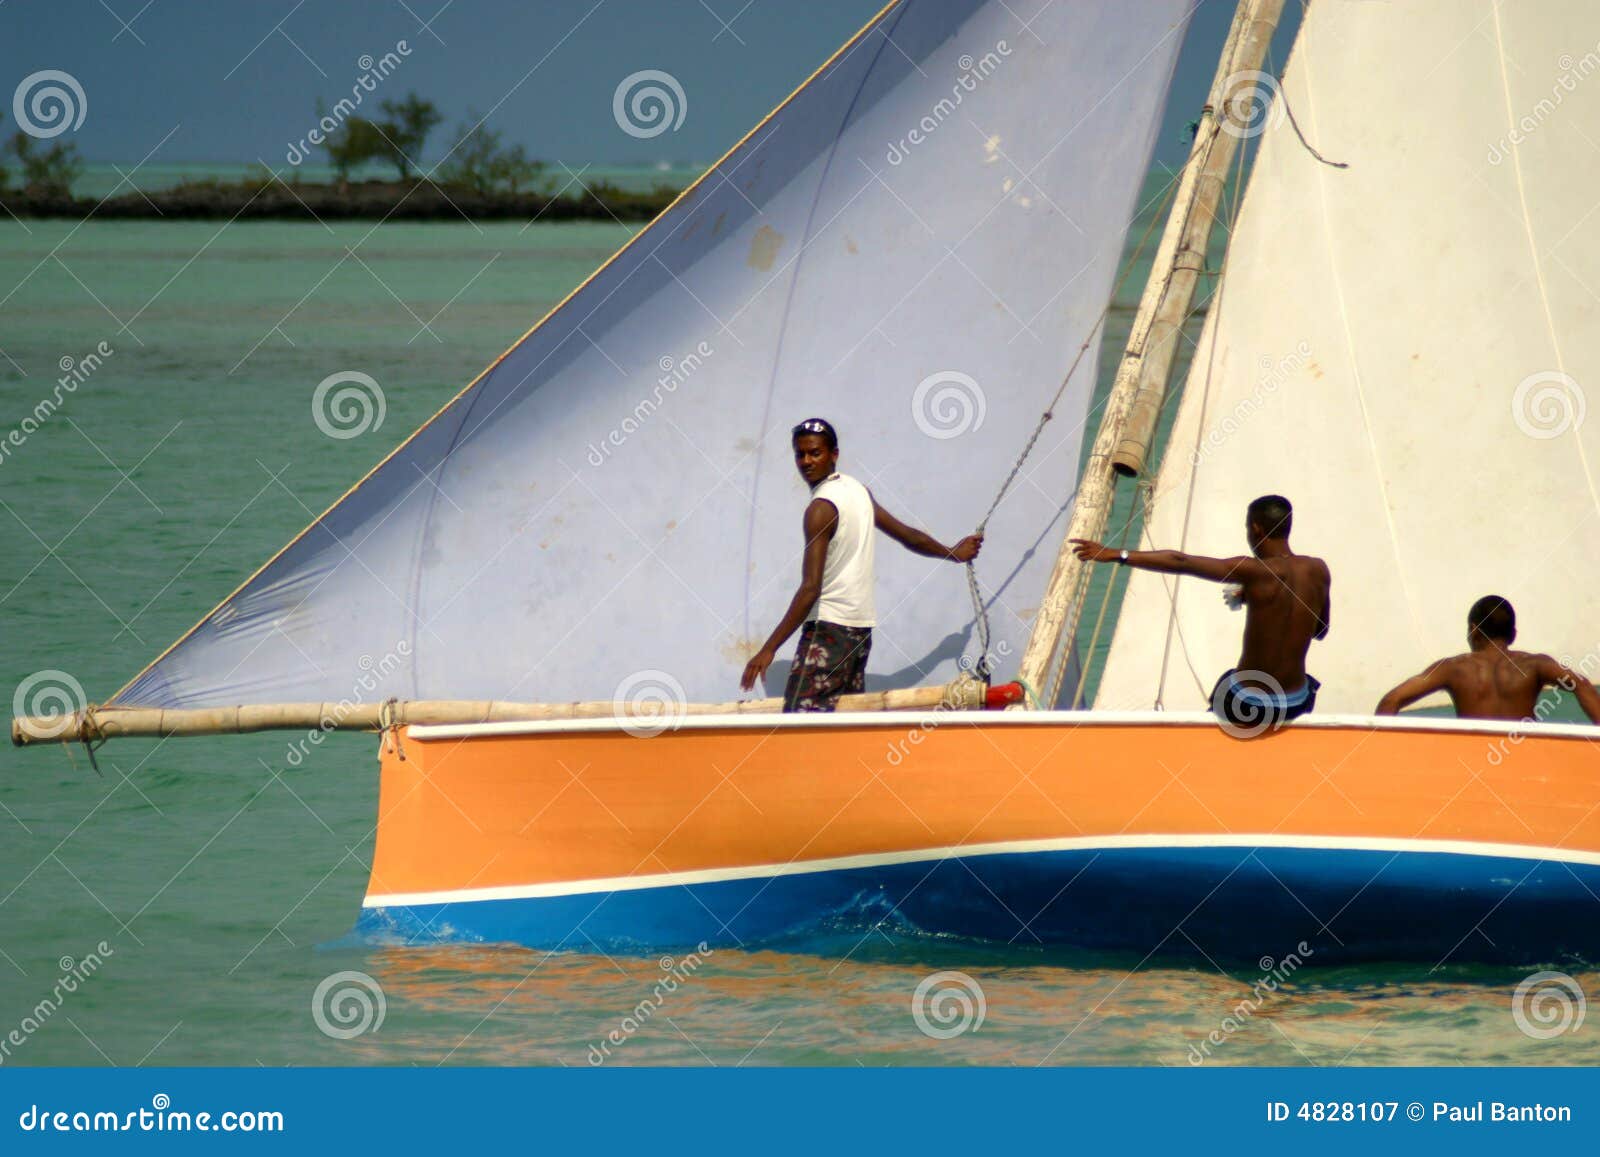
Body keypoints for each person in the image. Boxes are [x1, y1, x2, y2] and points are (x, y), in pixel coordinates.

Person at [740, 418, 983, 712]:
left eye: (814, 453)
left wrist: (769, 648)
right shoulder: (858, 491)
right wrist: (952, 553)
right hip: (859, 634)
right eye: (800, 454)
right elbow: (908, 537)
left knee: (799, 724)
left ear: (834, 454)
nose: (806, 461)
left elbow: (810, 588)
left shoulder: (819, 510)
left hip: (827, 632)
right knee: (844, 724)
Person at [1071, 494, 1330, 730]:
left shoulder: (1251, 571)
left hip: (1251, 704)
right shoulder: (1318, 570)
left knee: (1229, 683)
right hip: (1296, 701)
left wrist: (1117, 554)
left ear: (1256, 528)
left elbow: (1181, 561)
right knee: (1291, 681)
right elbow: (1320, 630)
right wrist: (1264, 603)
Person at [1375, 595, 1600, 723]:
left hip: (1474, 763)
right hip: (1524, 758)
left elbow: (1390, 701)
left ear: (1473, 630)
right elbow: (1582, 685)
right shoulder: (1535, 665)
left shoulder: (1453, 669)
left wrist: (1381, 754)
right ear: (1513, 635)